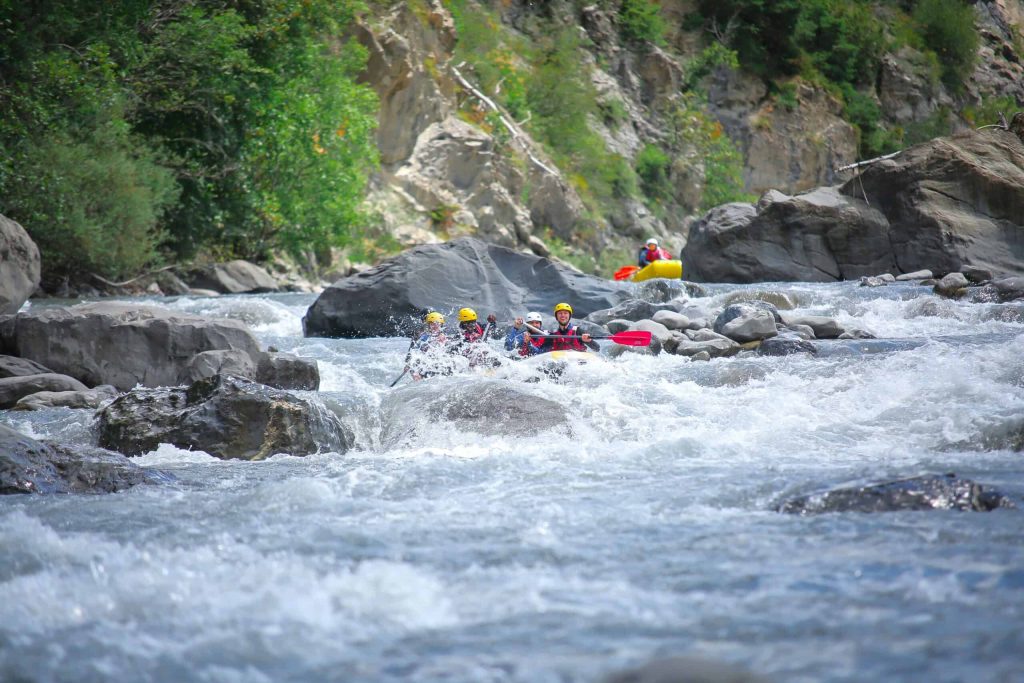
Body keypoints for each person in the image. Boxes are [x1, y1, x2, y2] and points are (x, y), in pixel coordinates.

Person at [534, 303, 599, 353]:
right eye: (560, 313)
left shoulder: (578, 331)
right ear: (556, 317)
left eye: (565, 313)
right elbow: (540, 352)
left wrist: (589, 341)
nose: (563, 315)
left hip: (578, 363)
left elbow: (597, 348)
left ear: (569, 316)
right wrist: (529, 343)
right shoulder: (553, 336)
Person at [410, 311, 453, 380]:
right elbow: (416, 351)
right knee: (415, 371)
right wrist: (410, 365)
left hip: (441, 364)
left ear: (441, 325)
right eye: (432, 324)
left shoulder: (446, 336)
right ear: (429, 325)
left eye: (437, 324)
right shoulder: (425, 337)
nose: (435, 326)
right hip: (428, 363)